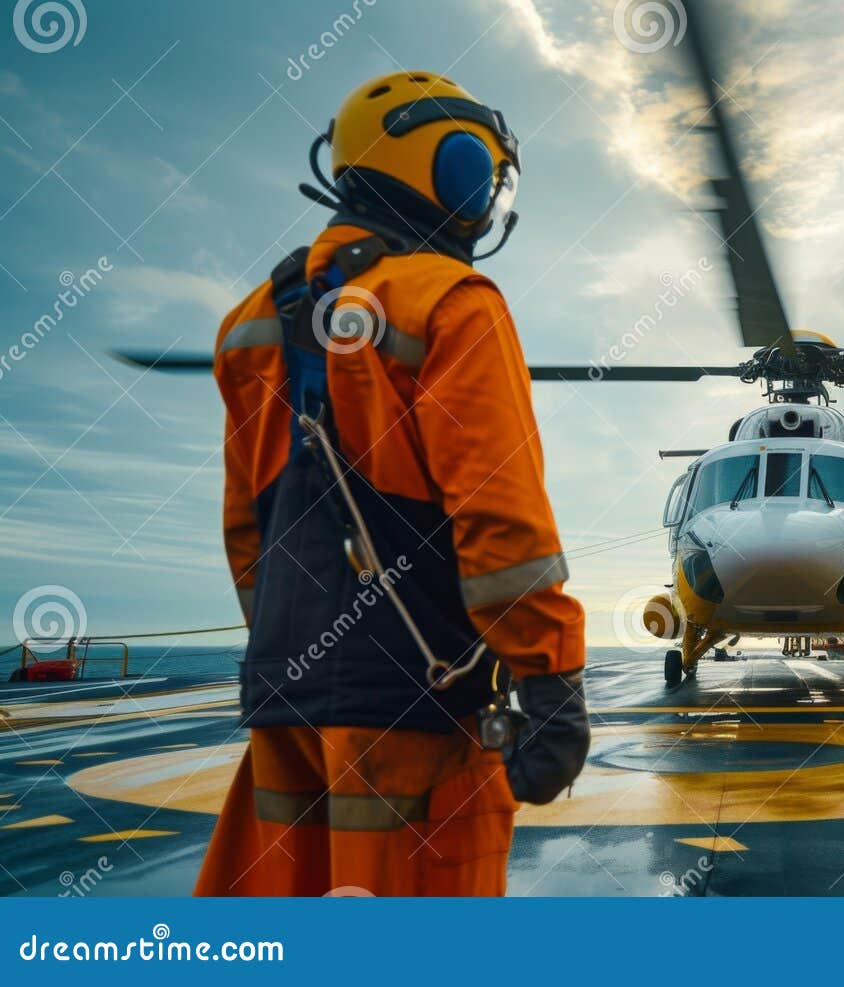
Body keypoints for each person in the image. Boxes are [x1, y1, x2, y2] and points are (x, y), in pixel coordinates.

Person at [195, 71, 589, 897]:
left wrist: (295, 651)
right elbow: (500, 516)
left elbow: (245, 532)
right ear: (451, 171)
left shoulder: (248, 324)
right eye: (484, 178)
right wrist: (549, 674)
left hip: (283, 701)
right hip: (415, 710)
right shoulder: (452, 302)